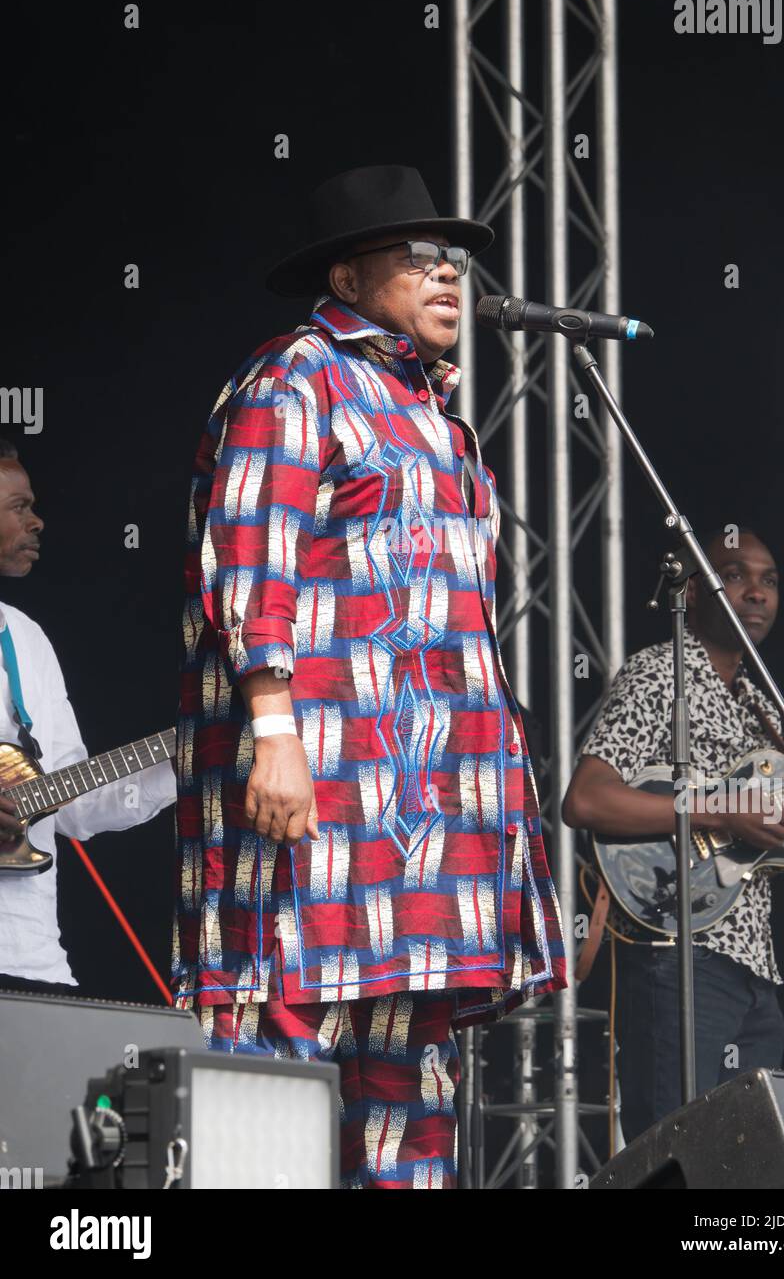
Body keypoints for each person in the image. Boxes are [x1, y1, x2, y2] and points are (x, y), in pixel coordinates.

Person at [174, 164, 566, 1188]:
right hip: (315, 821)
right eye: (419, 257)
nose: (448, 276)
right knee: (274, 1097)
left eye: (455, 261)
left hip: (420, 844)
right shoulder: (293, 378)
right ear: (347, 278)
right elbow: (249, 558)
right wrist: (275, 734)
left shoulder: (433, 415)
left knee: (409, 1104)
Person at [562, 526, 784, 1141]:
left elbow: (782, 833)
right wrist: (719, 815)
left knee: (748, 1158)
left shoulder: (762, 706)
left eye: (770, 581)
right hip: (677, 949)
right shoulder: (658, 673)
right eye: (735, 574)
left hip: (754, 963)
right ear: (694, 591)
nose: (756, 592)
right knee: (678, 1147)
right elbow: (585, 799)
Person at [0, 439, 176, 993]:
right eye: (18, 506)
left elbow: (72, 807)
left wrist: (184, 754)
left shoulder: (26, 639)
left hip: (30, 958)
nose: (38, 521)